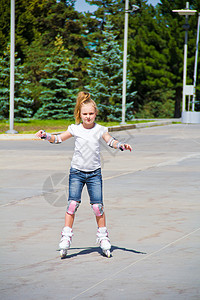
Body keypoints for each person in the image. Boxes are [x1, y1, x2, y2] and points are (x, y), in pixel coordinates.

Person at [35, 91, 132, 258]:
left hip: (94, 174)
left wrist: (121, 145)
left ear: (96, 114)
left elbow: (110, 141)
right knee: (72, 204)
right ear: (80, 114)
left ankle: (103, 237)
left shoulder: (100, 129)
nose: (88, 117)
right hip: (77, 173)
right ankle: (66, 237)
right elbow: (58, 139)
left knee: (97, 207)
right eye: (85, 114)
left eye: (91, 114)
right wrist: (46, 135)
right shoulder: (75, 129)